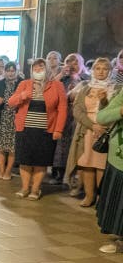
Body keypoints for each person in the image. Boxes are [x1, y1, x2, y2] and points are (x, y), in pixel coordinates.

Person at [8, 58, 67, 200]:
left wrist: (58, 129)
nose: (38, 70)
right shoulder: (24, 84)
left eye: (41, 67)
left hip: (46, 131)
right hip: (25, 129)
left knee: (41, 161)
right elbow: (11, 103)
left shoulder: (57, 85)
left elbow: (63, 108)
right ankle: (24, 188)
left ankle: (35, 190)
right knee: (25, 160)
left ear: (47, 68)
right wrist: (23, 95)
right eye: (36, 67)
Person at [65, 57, 118, 206]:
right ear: (93, 70)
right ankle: (89, 196)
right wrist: (92, 125)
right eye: (97, 68)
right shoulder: (85, 87)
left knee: (101, 165)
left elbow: (112, 111)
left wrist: (103, 101)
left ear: (110, 70)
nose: (101, 72)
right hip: (87, 131)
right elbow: (77, 110)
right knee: (87, 163)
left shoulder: (116, 89)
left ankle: (102, 198)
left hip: (105, 132)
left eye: (104, 68)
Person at [53, 52, 90, 185]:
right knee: (61, 144)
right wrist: (62, 74)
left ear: (81, 63)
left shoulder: (86, 78)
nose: (72, 65)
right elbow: (50, 88)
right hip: (63, 114)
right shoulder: (62, 77)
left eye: (75, 62)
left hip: (80, 115)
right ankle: (59, 173)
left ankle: (75, 175)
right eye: (69, 61)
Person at [96, 85, 123, 253]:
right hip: (119, 157)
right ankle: (119, 239)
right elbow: (102, 116)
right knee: (117, 202)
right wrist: (120, 111)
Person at [0, 62, 20, 180]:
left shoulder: (21, 83)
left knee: (12, 147)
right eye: (8, 71)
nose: (10, 73)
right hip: (1, 117)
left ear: (16, 71)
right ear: (5, 72)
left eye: (13, 71)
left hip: (15, 119)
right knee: (0, 147)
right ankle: (1, 171)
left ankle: (8, 171)